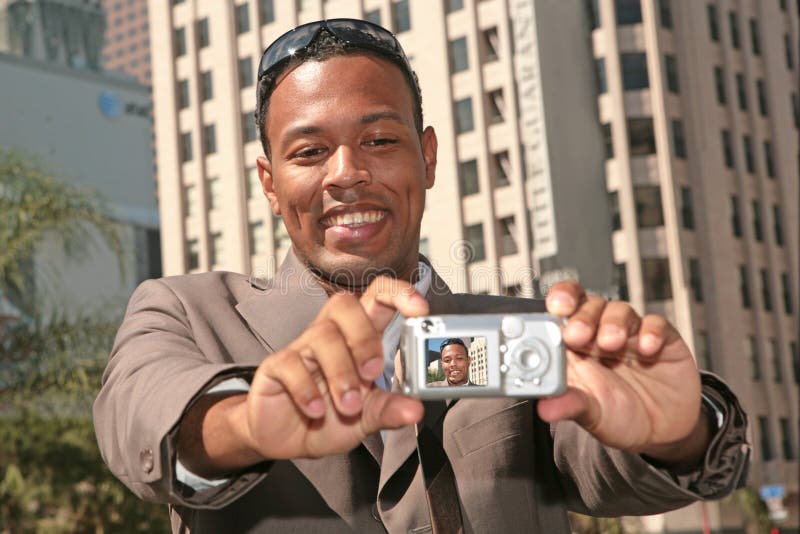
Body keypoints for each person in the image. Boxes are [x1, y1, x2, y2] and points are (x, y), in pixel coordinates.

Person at [93, 18, 750, 533]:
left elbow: (610, 458)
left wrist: (679, 432)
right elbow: (140, 418)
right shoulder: (189, 311)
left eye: (379, 141)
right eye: (310, 151)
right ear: (270, 182)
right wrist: (245, 424)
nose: (347, 173)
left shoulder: (524, 332)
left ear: (427, 157)